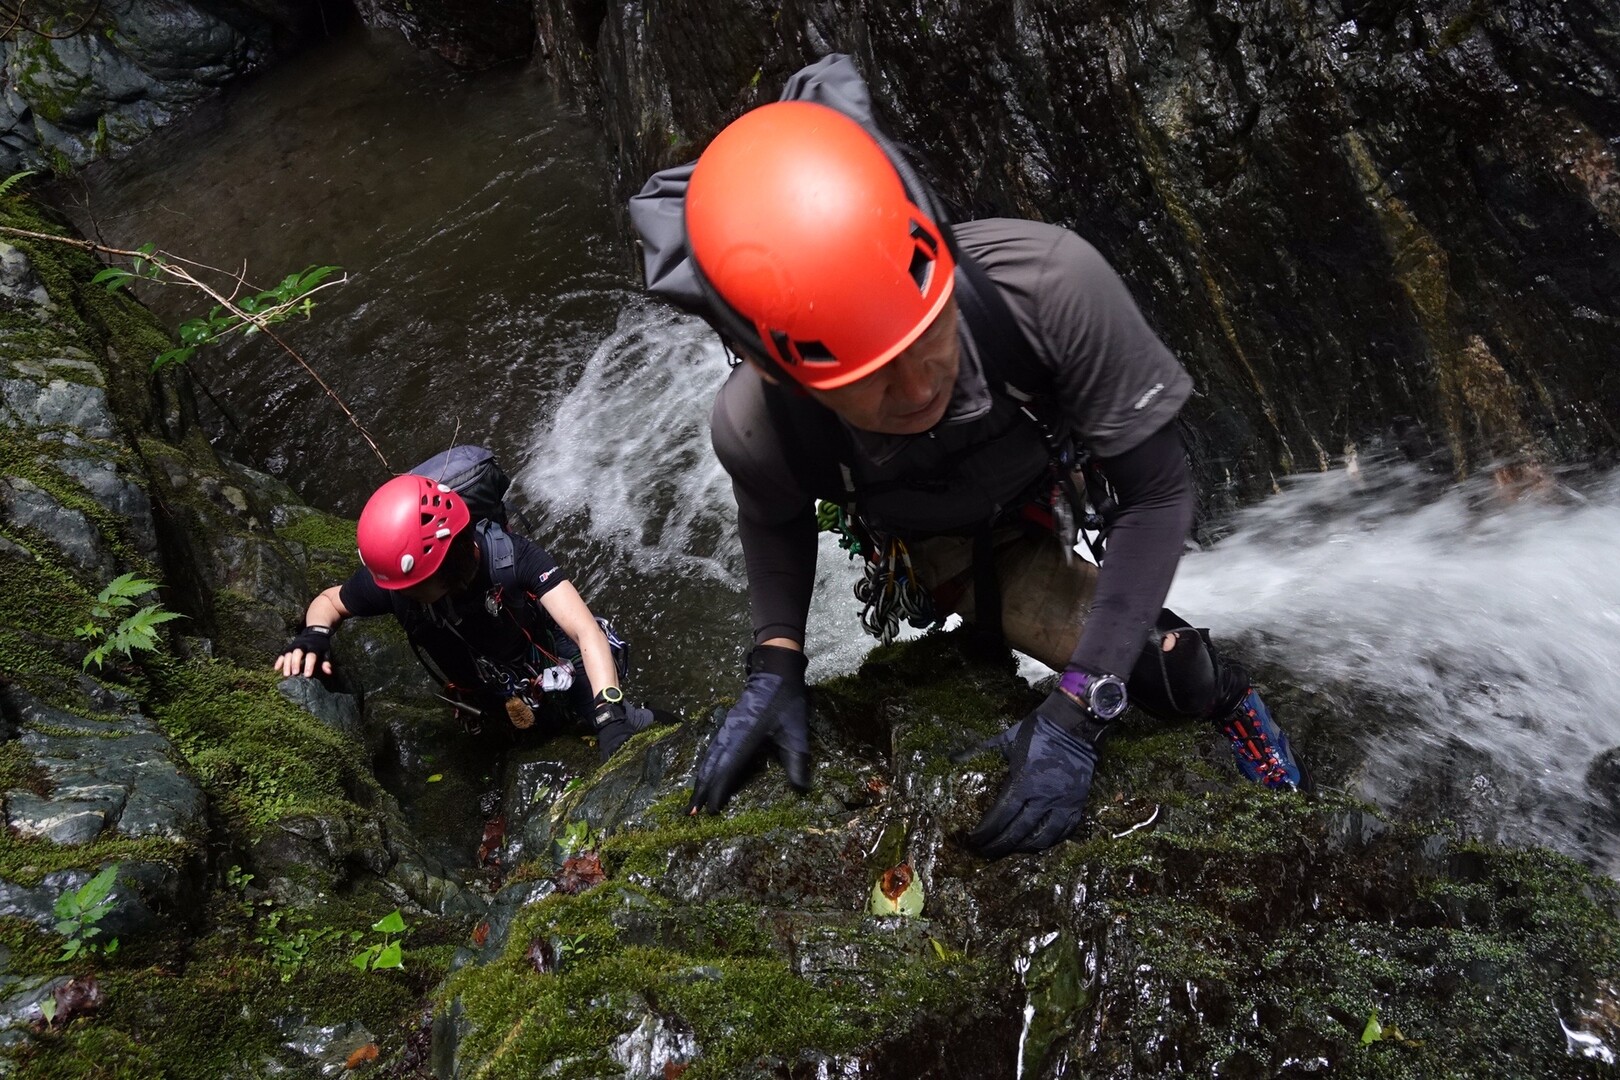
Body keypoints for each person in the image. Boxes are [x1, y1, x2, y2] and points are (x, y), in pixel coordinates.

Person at [629, 56, 1306, 857]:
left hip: (1045, 472)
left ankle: (1235, 706)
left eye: (930, 339)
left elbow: (1156, 495)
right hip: (933, 538)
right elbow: (775, 518)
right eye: (873, 379)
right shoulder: (760, 425)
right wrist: (775, 661)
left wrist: (1077, 711)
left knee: (1172, 674)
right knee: (1030, 635)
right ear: (786, 375)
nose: (920, 389)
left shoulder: (1051, 287)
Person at [274, 472, 667, 762]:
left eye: (411, 586)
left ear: (445, 564)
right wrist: (315, 634)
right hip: (489, 687)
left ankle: (674, 725)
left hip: (547, 660)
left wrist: (609, 711)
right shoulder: (397, 580)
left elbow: (585, 631)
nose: (398, 594)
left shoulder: (512, 558)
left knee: (620, 722)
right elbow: (331, 601)